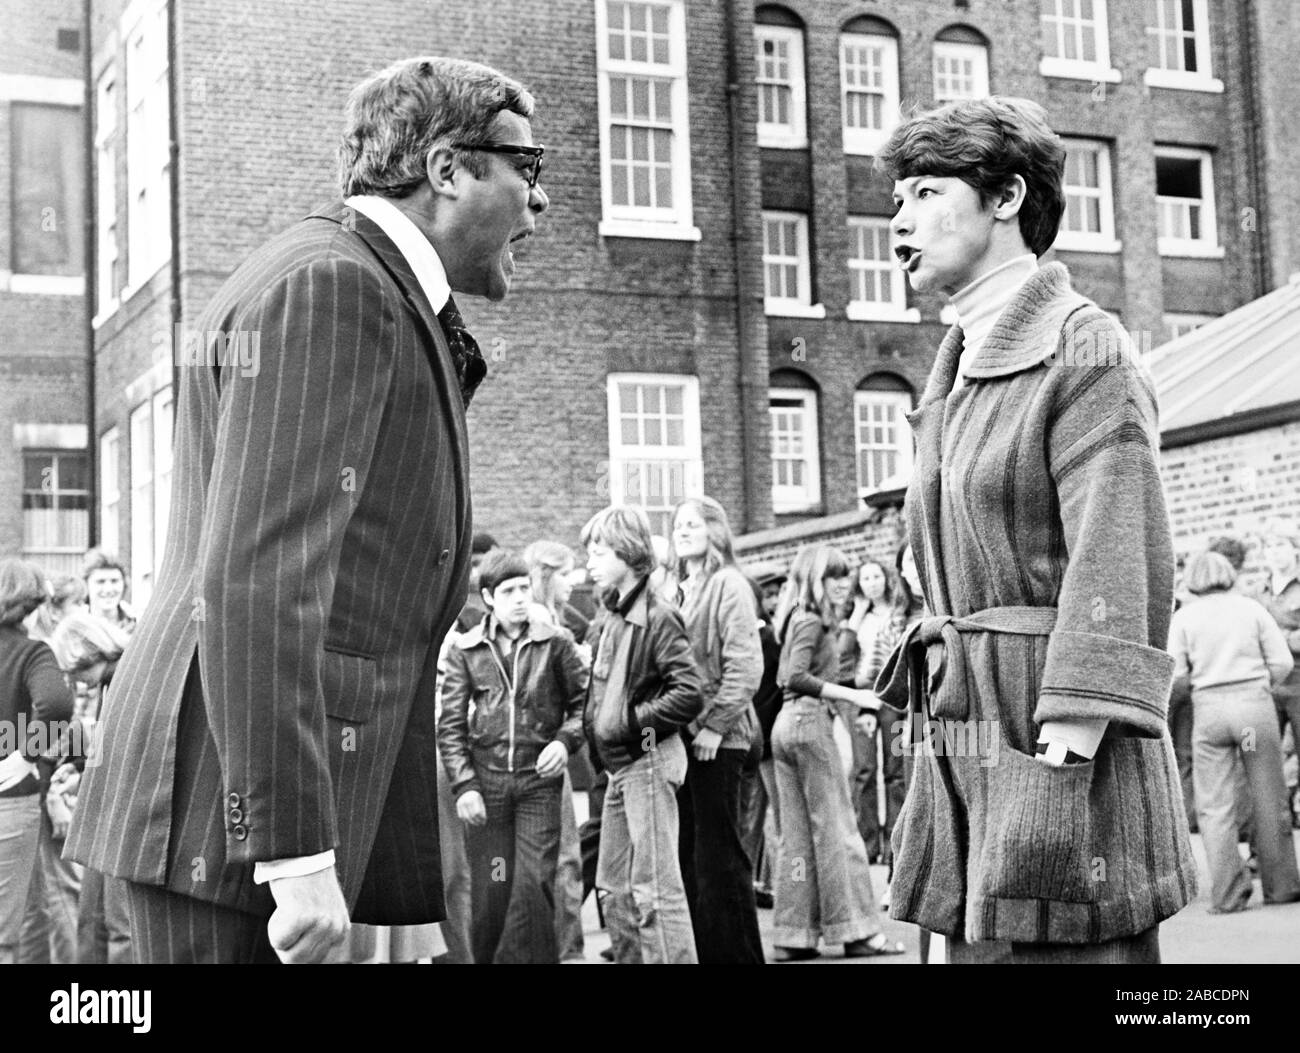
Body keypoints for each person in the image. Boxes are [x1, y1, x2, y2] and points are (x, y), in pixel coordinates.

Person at [65, 56, 550, 964]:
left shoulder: (347, 276)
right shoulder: (336, 285)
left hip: (248, 811)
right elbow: (259, 575)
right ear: (446, 169)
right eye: (528, 168)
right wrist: (291, 851)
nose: (540, 201)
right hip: (234, 833)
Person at [873, 96, 1193, 963]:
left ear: (1008, 197)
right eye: (897, 198)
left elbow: (1119, 546)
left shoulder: (1087, 347)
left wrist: (1063, 755)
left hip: (1055, 745)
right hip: (968, 736)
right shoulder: (958, 365)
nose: (899, 220)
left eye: (927, 192)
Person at [438, 550, 587, 963]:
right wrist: (465, 785)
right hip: (488, 787)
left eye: (524, 588)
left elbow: (582, 705)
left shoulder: (555, 643)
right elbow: (449, 726)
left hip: (538, 784)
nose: (521, 597)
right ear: (488, 597)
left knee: (536, 882)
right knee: (492, 889)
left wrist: (564, 742)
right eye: (509, 591)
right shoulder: (466, 650)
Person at [770, 544, 904, 961]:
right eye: (834, 577)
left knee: (797, 837)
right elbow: (793, 675)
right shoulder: (811, 619)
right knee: (839, 832)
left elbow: (784, 676)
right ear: (815, 578)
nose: (841, 584)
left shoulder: (796, 617)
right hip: (809, 725)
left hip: (785, 727)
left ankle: (795, 936)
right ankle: (859, 932)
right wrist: (854, 697)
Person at [582, 505, 703, 964]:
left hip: (646, 761)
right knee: (613, 886)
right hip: (622, 766)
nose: (590, 560)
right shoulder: (615, 612)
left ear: (628, 553)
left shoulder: (657, 613)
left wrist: (630, 724)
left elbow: (689, 693)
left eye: (599, 550)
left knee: (656, 891)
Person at [1167, 551, 1299, 912]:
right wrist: (1258, 685)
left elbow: (1175, 674)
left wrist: (1199, 685)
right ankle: (1282, 888)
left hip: (1210, 713)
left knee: (1215, 805)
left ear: (1192, 579)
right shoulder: (1251, 610)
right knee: (1269, 795)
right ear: (1228, 574)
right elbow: (1283, 662)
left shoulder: (1184, 618)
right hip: (1253, 713)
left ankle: (1227, 895)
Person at [669, 496, 765, 964]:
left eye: (693, 524)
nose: (682, 531)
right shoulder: (676, 590)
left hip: (720, 742)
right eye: (677, 525)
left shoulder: (728, 584)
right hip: (680, 742)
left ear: (715, 531)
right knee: (690, 857)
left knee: (719, 859)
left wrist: (714, 727)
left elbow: (745, 665)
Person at [0, 560, 76, 965]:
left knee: (27, 912)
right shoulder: (31, 652)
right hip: (11, 799)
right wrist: (24, 754)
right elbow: (58, 704)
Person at [47, 612, 133, 964]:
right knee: (93, 918)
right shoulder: (112, 681)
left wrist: (83, 778)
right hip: (107, 815)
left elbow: (128, 757)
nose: (73, 680)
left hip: (121, 819)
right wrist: (80, 769)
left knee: (117, 925)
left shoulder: (127, 678)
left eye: (72, 670)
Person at [522, 539, 589, 961]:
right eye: (565, 573)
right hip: (545, 753)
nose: (572, 581)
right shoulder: (543, 624)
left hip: (528, 752)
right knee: (564, 857)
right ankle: (568, 951)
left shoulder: (545, 621)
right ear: (547, 576)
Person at [18, 575, 88, 964]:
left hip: (40, 786)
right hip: (47, 788)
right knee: (63, 895)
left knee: (36, 903)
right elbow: (57, 723)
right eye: (77, 604)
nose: (83, 612)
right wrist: (54, 795)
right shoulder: (44, 654)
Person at [847, 557, 900, 859]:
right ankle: (868, 844)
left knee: (895, 770)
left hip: (892, 692)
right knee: (864, 769)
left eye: (876, 576)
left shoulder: (897, 611)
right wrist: (856, 613)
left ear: (886, 578)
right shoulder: (855, 617)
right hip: (863, 695)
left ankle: (894, 846)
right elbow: (843, 653)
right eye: (865, 578)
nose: (871, 583)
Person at [80, 551, 136, 635]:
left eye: (114, 581)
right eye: (100, 581)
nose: (108, 589)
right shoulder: (77, 626)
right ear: (86, 585)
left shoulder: (137, 624)